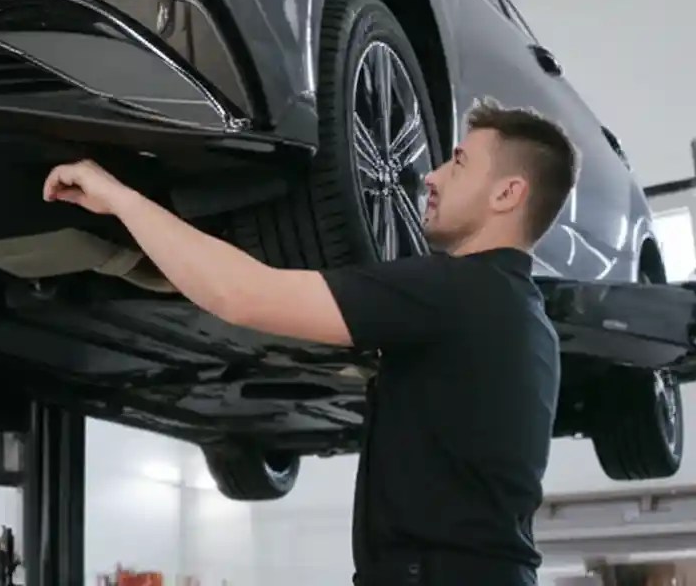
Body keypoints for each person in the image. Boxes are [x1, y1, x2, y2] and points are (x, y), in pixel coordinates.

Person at [41, 97, 579, 586]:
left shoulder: (458, 291)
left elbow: (241, 295)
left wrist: (120, 198)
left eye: (458, 162)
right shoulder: (528, 321)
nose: (430, 177)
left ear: (509, 193)